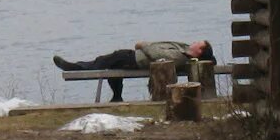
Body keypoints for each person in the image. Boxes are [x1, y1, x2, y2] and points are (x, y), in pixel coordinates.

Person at [52, 39, 215, 103]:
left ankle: (73, 67)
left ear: (200, 50)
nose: (193, 42)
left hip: (135, 59)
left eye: (197, 43)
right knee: (110, 65)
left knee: (102, 62)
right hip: (135, 57)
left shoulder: (181, 57)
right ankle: (117, 97)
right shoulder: (183, 49)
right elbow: (162, 46)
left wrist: (143, 45)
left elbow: (158, 54)